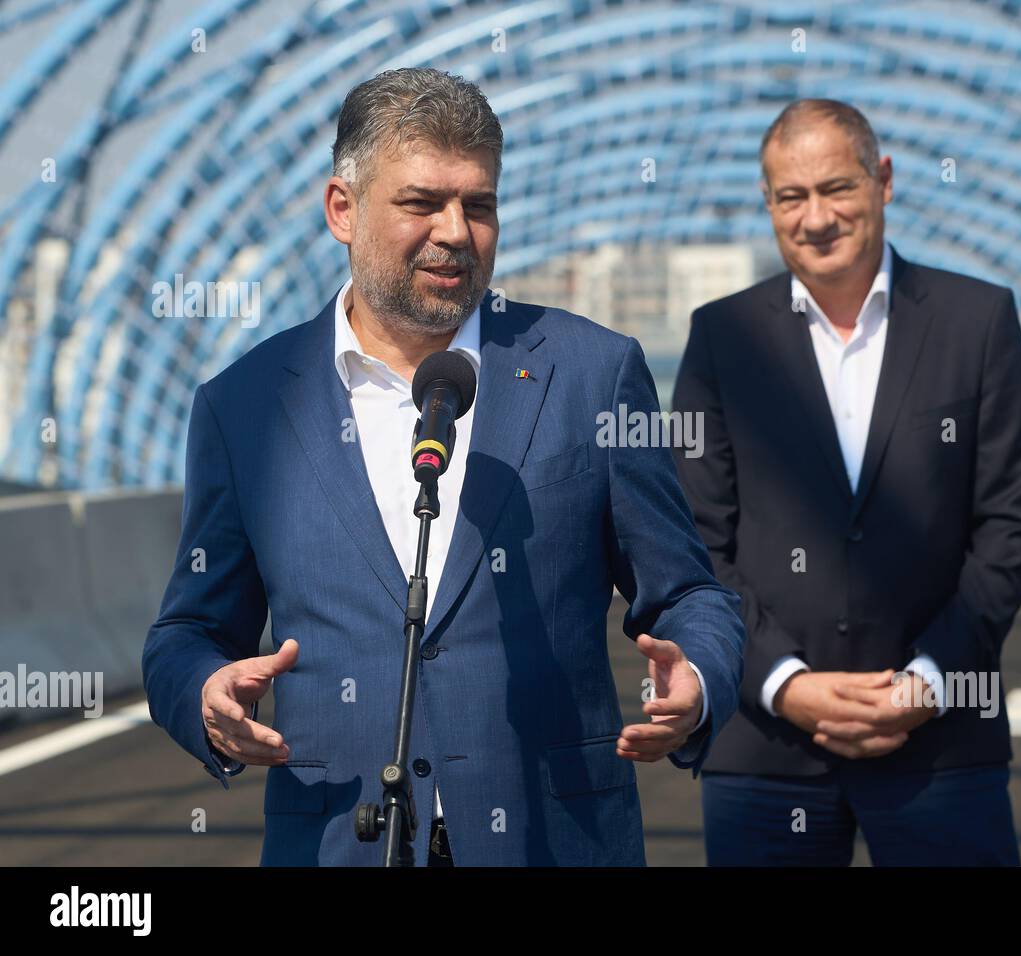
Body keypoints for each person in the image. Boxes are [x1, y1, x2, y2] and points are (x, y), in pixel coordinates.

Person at [142, 67, 744, 867]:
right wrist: (205, 695)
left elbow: (691, 594)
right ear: (342, 210)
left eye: (480, 205)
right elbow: (187, 632)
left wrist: (698, 677)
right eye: (422, 203)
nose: (456, 232)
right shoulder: (245, 406)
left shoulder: (592, 373)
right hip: (339, 841)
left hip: (554, 842)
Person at [671, 99, 1021, 866]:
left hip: (940, 745)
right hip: (766, 748)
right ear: (769, 204)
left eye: (836, 188)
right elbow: (697, 542)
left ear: (883, 180)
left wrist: (928, 682)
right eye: (790, 196)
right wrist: (785, 683)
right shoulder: (722, 337)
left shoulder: (977, 323)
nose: (815, 218)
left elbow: (1008, 528)